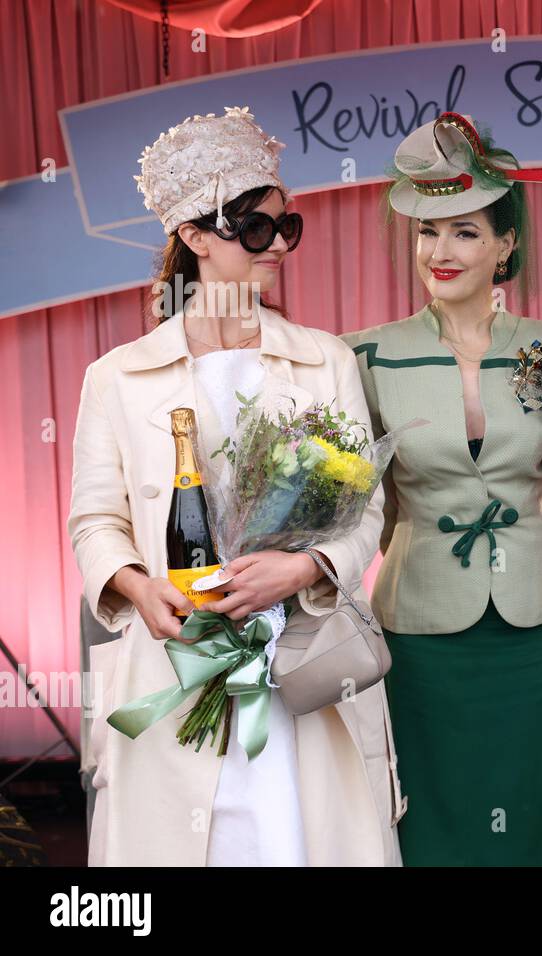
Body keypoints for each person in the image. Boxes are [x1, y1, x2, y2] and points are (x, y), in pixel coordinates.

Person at [69, 107, 400, 866]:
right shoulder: (115, 376)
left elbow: (367, 509)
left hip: (301, 665)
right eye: (253, 228)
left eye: (288, 226)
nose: (277, 245)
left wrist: (305, 569)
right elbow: (94, 519)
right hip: (175, 663)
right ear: (192, 235)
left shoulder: (326, 360)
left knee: (300, 838)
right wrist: (134, 585)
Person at [342, 113, 542, 866]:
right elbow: (363, 509)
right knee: (433, 805)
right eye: (427, 233)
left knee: (533, 806)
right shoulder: (366, 356)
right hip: (419, 626)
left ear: (506, 246)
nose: (440, 252)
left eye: (465, 232)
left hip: (531, 621)